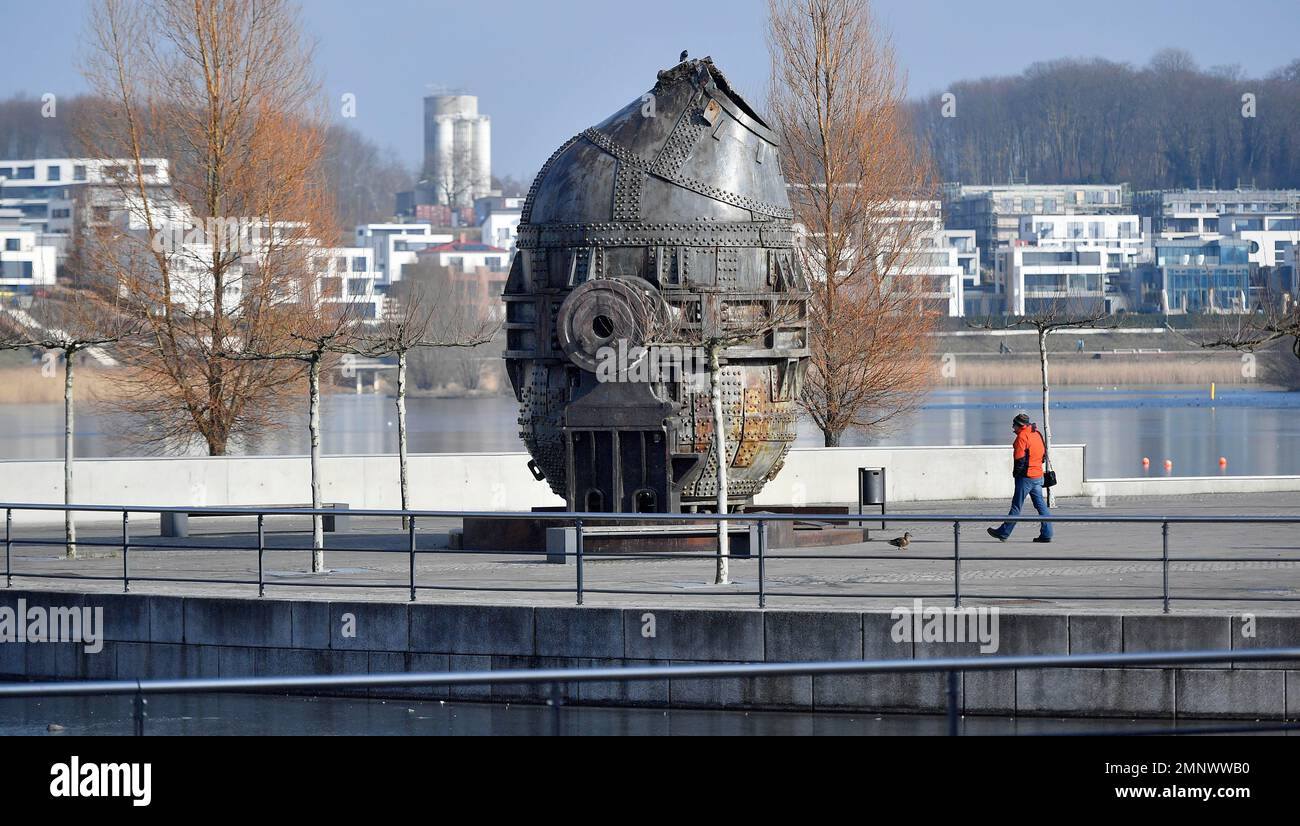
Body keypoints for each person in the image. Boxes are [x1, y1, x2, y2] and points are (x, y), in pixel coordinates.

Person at [987, 412, 1053, 543]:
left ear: (1020, 425)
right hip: (1038, 476)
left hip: (1025, 477)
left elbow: (1019, 460)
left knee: (1016, 506)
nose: (1013, 427)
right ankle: (1047, 533)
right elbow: (1043, 456)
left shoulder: (1022, 437)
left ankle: (1004, 532)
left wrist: (1016, 474)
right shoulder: (1037, 434)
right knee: (1041, 506)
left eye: (1014, 425)